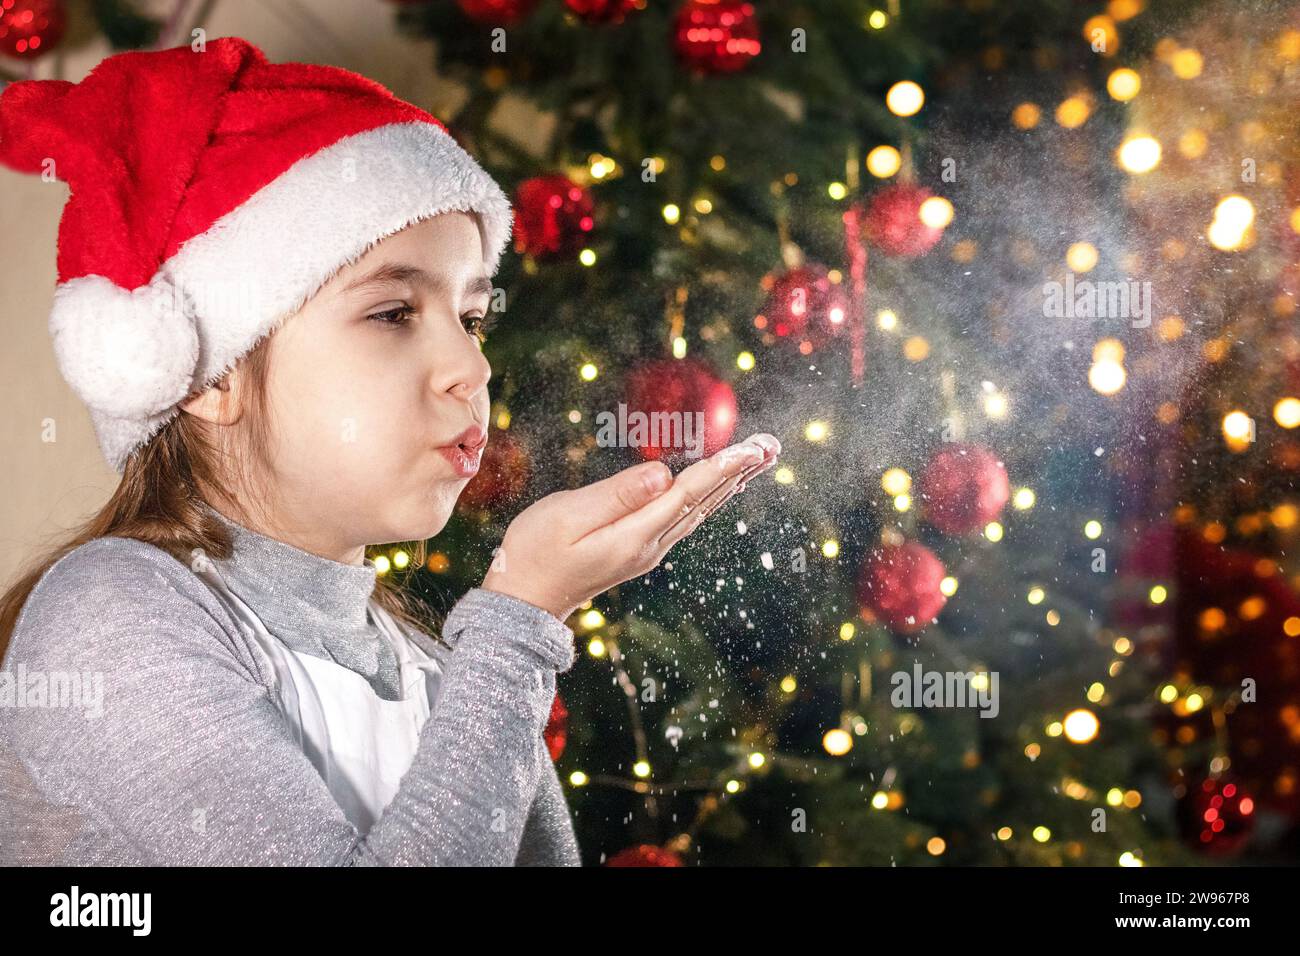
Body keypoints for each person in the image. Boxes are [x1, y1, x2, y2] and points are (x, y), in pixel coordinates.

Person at [0, 37, 780, 866]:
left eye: (472, 318)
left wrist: (522, 623)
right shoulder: (111, 613)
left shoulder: (432, 668)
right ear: (210, 374)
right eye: (392, 314)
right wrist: (523, 617)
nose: (473, 367)